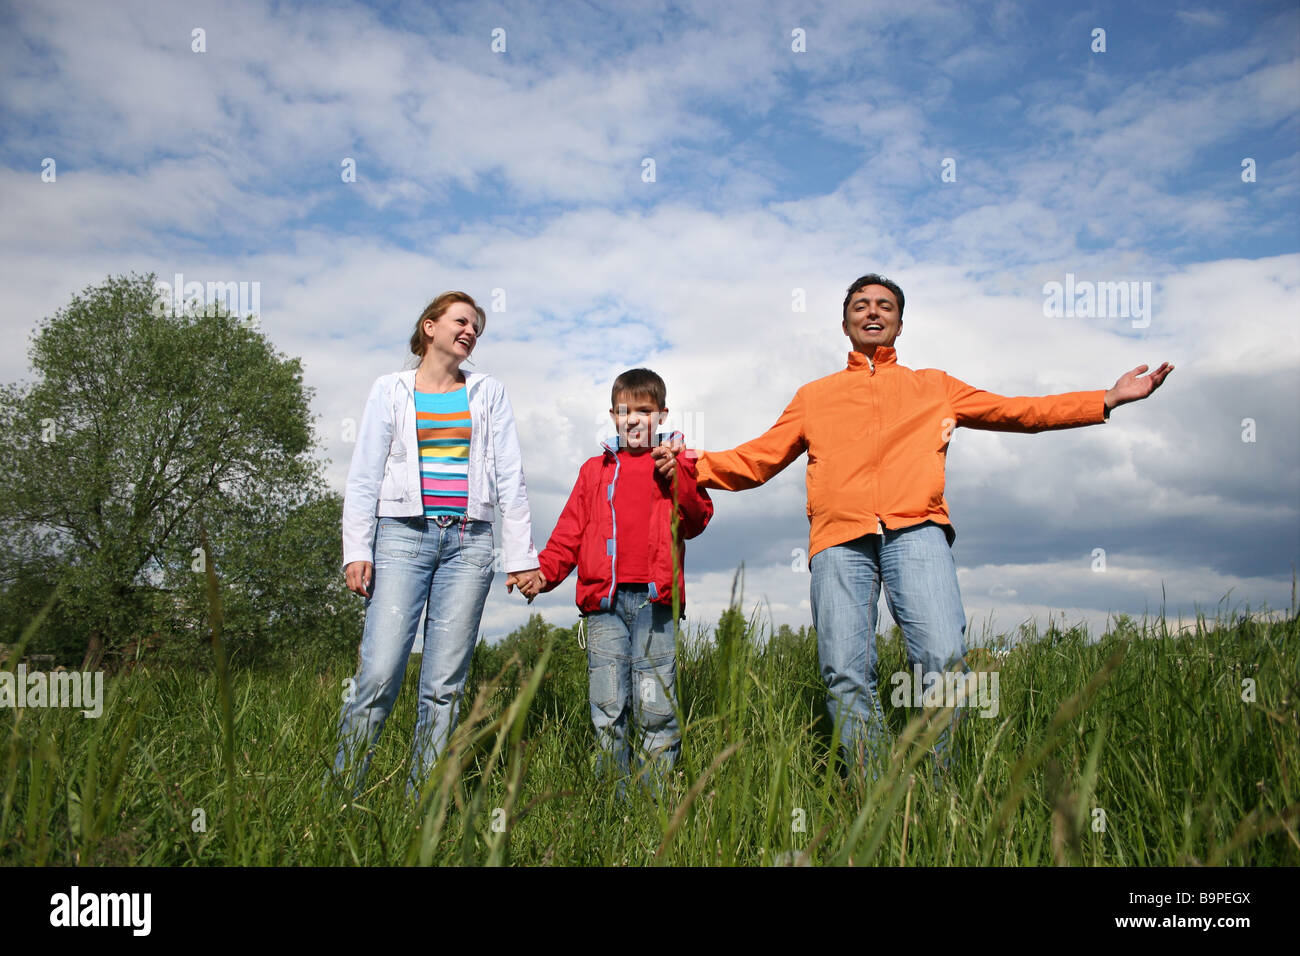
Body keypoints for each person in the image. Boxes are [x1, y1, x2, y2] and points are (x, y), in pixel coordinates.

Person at [652, 274, 1172, 775]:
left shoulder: (935, 387)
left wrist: (1104, 399)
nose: (872, 312)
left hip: (918, 530)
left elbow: (1018, 411)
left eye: (885, 307)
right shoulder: (815, 395)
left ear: (899, 325)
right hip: (838, 538)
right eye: (861, 306)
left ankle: (934, 785)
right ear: (845, 325)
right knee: (844, 671)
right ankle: (872, 791)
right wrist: (693, 463)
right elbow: (759, 459)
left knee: (943, 659)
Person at [329, 291, 540, 801]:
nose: (470, 332)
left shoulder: (488, 392)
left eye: (477, 328)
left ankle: (419, 807)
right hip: (402, 536)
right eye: (461, 321)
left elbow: (509, 475)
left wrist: (520, 558)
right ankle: (341, 797)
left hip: (470, 545)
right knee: (379, 672)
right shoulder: (390, 390)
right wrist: (357, 548)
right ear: (429, 326)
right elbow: (363, 474)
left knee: (444, 686)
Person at [515, 368, 713, 797]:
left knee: (655, 704)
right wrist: (543, 573)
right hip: (604, 604)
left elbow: (697, 520)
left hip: (655, 601)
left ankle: (656, 801)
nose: (635, 419)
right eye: (625, 411)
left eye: (645, 410)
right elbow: (569, 532)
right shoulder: (595, 470)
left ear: (662, 414)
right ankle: (613, 801)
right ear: (612, 416)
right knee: (608, 701)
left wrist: (677, 473)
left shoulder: (677, 463)